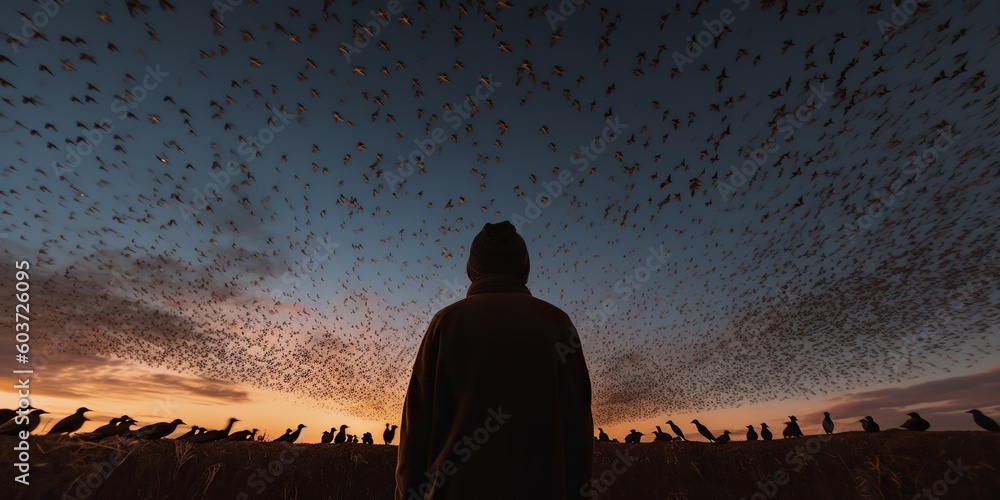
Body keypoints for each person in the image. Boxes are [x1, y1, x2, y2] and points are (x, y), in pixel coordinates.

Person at [396, 221, 593, 500]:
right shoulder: (557, 324)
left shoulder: (446, 323)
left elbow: (416, 430)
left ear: (471, 270)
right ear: (524, 269)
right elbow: (578, 429)